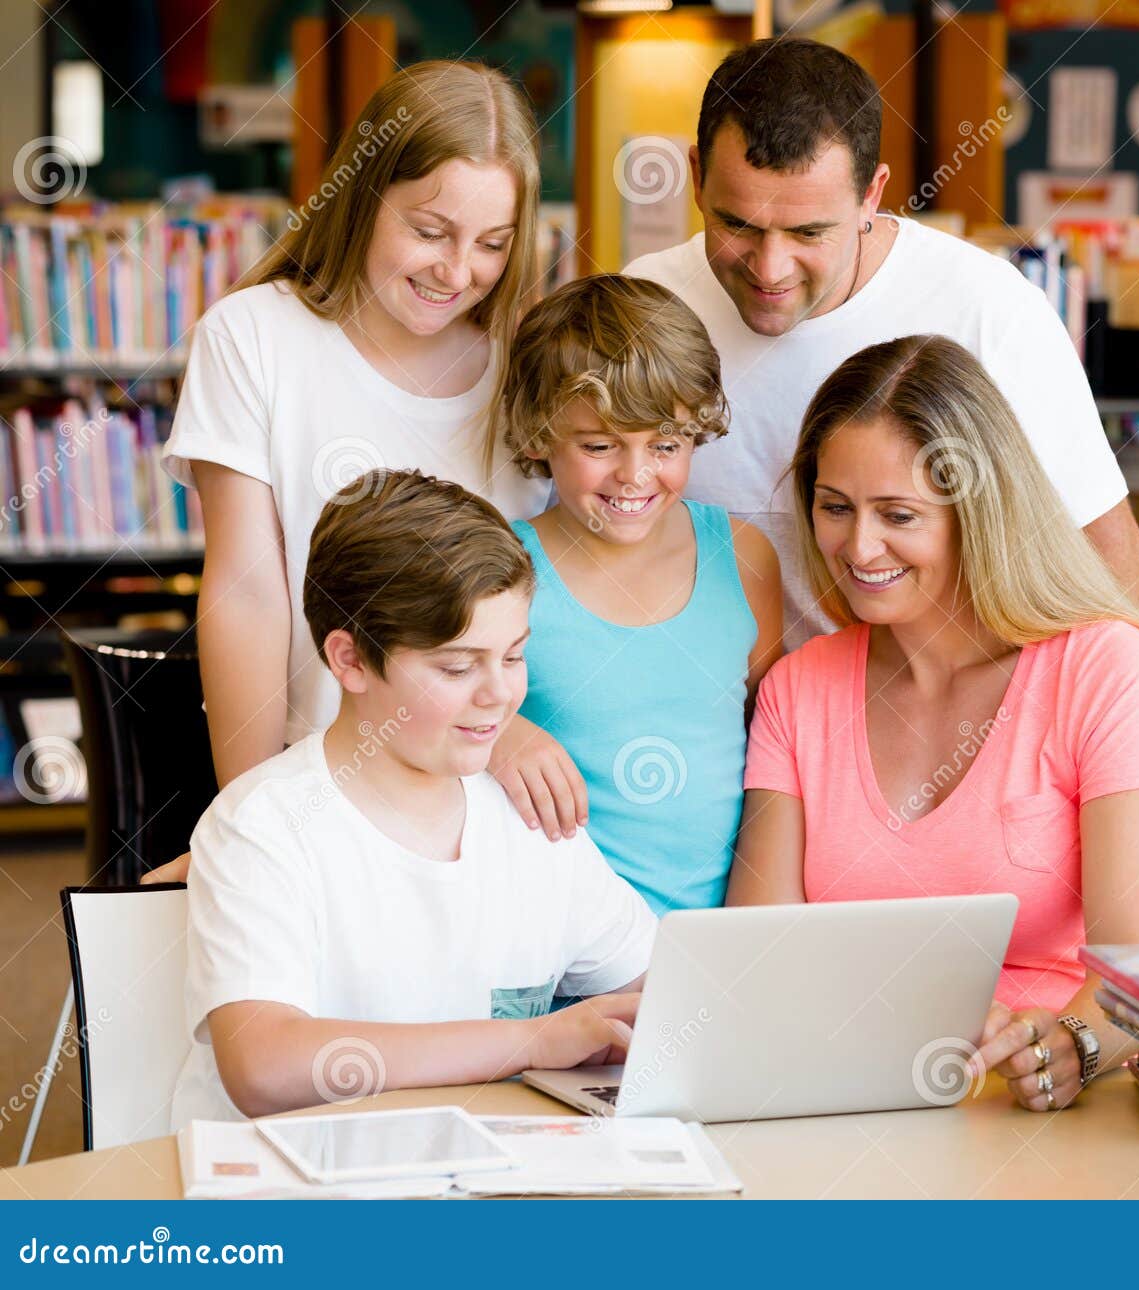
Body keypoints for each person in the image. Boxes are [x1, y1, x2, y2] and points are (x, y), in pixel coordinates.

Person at [728, 335, 1139, 1113]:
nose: (859, 547)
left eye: (899, 514)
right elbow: (758, 956)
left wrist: (1069, 1047)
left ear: (975, 512)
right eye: (835, 507)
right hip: (847, 1101)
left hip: (1040, 1109)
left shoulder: (1106, 669)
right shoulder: (796, 690)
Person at [149, 61, 586, 893]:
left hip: (492, 811)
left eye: (493, 245)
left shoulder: (524, 363)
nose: (458, 272)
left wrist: (512, 734)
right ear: (362, 197)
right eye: (430, 230)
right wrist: (252, 824)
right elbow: (246, 590)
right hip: (321, 804)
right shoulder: (253, 339)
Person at [626, 37, 1139, 647]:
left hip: (949, 719)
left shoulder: (986, 309)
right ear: (695, 176)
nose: (770, 269)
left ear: (872, 194)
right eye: (737, 224)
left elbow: (1104, 562)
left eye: (808, 232)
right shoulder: (643, 309)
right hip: (720, 720)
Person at [172, 470, 655, 1127]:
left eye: (513, 657)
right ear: (350, 661)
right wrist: (532, 1041)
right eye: (456, 668)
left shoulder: (524, 814)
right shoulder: (264, 824)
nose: (499, 696)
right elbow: (263, 1065)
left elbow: (658, 984)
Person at [498, 274, 783, 911]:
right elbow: (429, 719)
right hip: (559, 956)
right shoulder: (501, 569)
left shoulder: (742, 557)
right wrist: (498, 738)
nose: (635, 475)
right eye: (600, 445)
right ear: (541, 433)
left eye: (666, 445)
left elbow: (773, 744)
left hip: (713, 943)